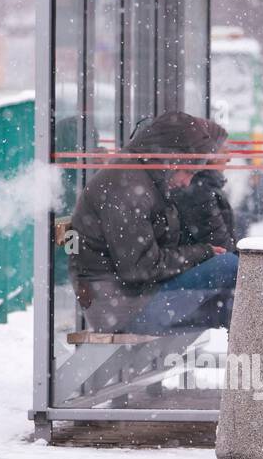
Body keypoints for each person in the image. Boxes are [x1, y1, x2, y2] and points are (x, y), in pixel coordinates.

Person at [68, 111, 238, 334]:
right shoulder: (126, 186)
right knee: (230, 268)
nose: (187, 183)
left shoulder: (144, 180)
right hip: (121, 309)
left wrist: (201, 254)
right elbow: (139, 268)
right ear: (172, 160)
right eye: (188, 173)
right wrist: (201, 253)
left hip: (132, 300)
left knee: (231, 303)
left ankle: (261, 358)